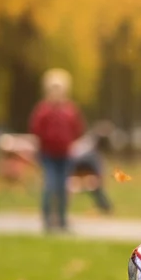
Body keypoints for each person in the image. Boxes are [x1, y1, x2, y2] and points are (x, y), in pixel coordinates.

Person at [29, 69, 85, 232]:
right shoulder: (43, 110)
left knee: (62, 188)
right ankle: (47, 219)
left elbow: (77, 129)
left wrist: (72, 143)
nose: (56, 93)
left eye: (59, 89)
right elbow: (36, 130)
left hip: (65, 155)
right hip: (48, 155)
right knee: (50, 185)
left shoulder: (70, 110)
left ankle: (62, 219)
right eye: (53, 89)